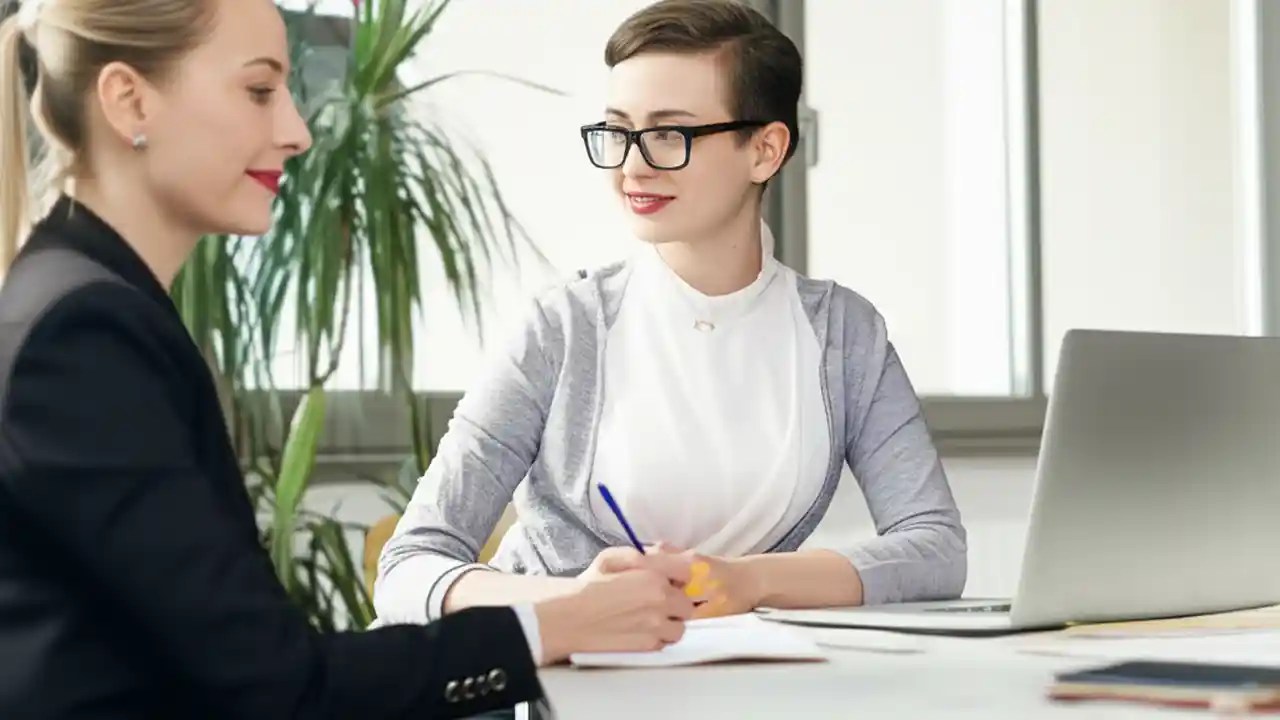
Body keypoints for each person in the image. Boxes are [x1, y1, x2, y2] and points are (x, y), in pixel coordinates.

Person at [0, 0, 697, 717]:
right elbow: (275, 685)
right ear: (128, 99)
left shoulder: (83, 301)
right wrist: (558, 625)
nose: (297, 132)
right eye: (260, 90)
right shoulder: (84, 334)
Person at [375, 0, 967, 629]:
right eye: (619, 131)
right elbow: (409, 566)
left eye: (668, 134)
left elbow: (936, 547)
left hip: (739, 679)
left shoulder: (845, 335)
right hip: (559, 686)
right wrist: (577, 604)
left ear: (765, 150)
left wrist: (750, 579)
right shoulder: (563, 329)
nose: (633, 165)